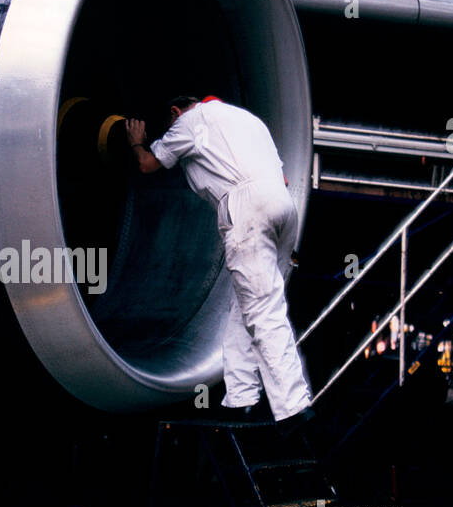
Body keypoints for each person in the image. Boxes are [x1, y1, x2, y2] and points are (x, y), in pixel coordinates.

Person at [127, 96, 313, 434]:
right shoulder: (248, 120)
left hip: (248, 205)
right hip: (283, 205)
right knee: (247, 306)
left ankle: (293, 407)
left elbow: (148, 164)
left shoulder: (192, 120)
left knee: (262, 311)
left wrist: (137, 143)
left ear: (175, 112)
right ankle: (241, 397)